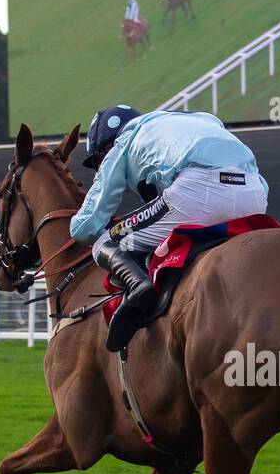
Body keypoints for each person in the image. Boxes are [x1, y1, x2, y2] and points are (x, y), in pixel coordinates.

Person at [71, 105, 269, 338]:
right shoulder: (203, 120)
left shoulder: (122, 142)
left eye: (97, 162)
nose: (99, 168)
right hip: (255, 194)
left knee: (106, 240)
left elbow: (85, 228)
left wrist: (76, 225)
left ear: (106, 145)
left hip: (197, 192)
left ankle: (139, 288)